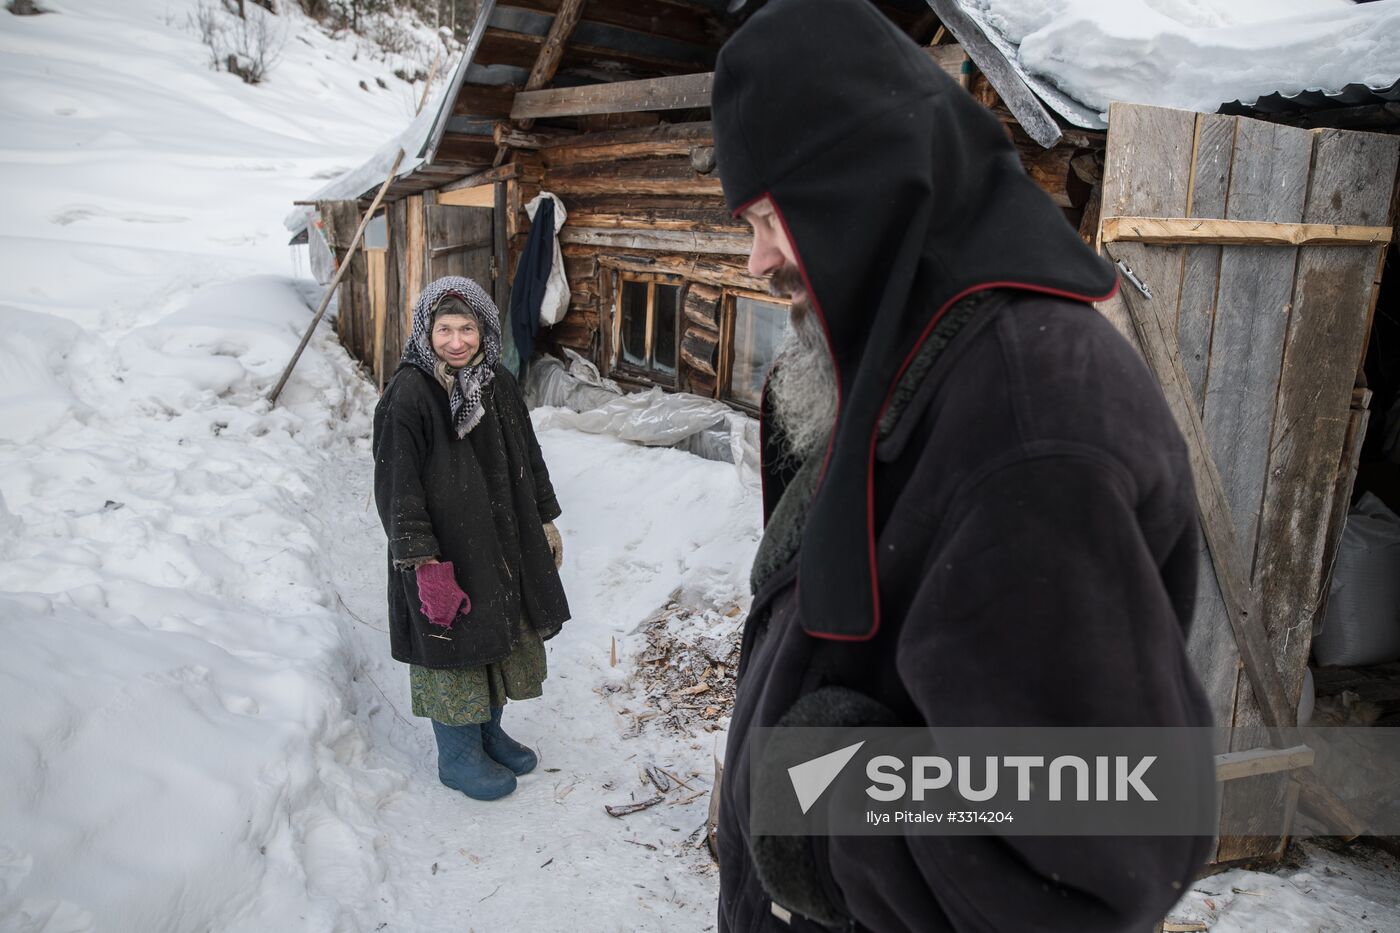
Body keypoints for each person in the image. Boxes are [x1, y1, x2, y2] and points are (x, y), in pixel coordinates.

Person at [711, 0, 1216, 930]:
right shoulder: (902, 352)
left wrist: (827, 815)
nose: (756, 261)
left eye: (773, 219)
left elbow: (1102, 834)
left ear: (859, 186)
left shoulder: (1031, 423)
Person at [372, 275, 569, 801]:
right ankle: (457, 757)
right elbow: (397, 488)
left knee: (499, 636)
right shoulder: (409, 394)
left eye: (468, 328)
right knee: (454, 646)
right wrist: (421, 561)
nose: (456, 341)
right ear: (425, 331)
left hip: (503, 542)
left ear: (483, 330)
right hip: (445, 553)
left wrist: (545, 518)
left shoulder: (497, 383)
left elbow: (529, 456)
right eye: (444, 329)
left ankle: (488, 733)